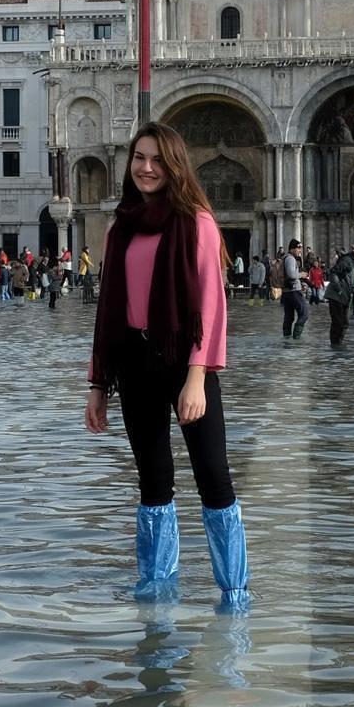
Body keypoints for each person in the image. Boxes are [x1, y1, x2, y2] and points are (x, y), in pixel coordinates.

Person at [83, 119, 247, 606]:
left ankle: (234, 592)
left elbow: (212, 306)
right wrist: (98, 385)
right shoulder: (121, 227)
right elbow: (107, 309)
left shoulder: (196, 221)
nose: (147, 168)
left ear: (174, 165)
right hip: (134, 363)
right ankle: (157, 590)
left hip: (185, 365)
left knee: (212, 476)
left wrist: (197, 377)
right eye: (139, 158)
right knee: (153, 479)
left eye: (157, 159)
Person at [277, 240, 309, 340]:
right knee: (304, 313)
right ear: (292, 249)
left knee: (289, 317)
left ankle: (286, 337)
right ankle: (296, 338)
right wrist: (301, 275)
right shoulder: (290, 258)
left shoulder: (285, 258)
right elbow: (291, 275)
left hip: (287, 292)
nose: (300, 251)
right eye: (298, 248)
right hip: (293, 291)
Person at [326, 247, 354, 346]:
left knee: (344, 322)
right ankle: (335, 344)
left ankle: (338, 343)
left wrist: (353, 287)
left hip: (345, 296)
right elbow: (334, 272)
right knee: (338, 322)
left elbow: (349, 278)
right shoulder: (346, 260)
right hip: (337, 295)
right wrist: (338, 289)